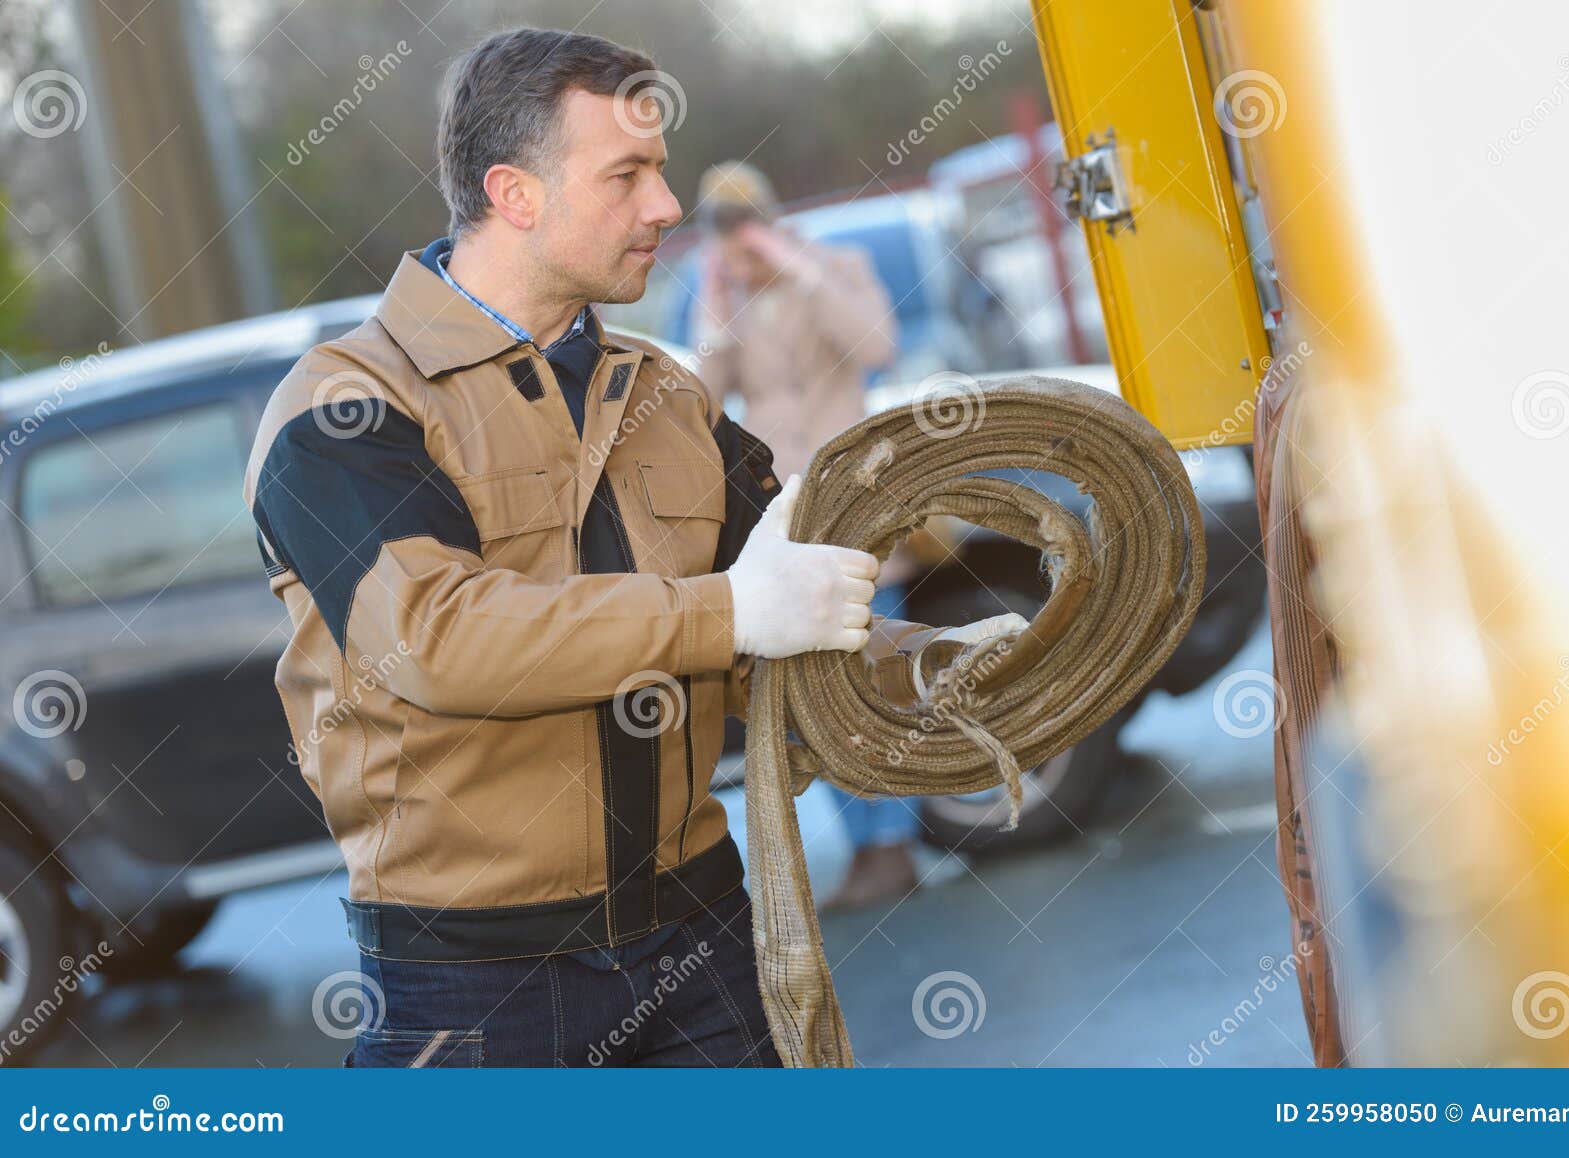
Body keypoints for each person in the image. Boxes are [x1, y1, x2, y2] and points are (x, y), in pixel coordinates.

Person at [242, 28, 1020, 1067]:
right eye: (627, 175)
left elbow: (793, 625)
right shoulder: (346, 408)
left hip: (702, 940)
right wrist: (733, 613)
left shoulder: (670, 391)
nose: (665, 207)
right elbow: (434, 640)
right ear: (514, 194)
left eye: (660, 173)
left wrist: (948, 668)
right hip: (476, 983)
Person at [692, 164, 936, 909]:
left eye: (746, 221)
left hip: (856, 498)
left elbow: (876, 345)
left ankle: (895, 842)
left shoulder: (836, 268)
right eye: (723, 226)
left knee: (876, 674)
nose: (739, 238)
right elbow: (704, 395)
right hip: (780, 512)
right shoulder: (723, 295)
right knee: (804, 690)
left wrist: (796, 268)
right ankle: (865, 846)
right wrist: (714, 297)